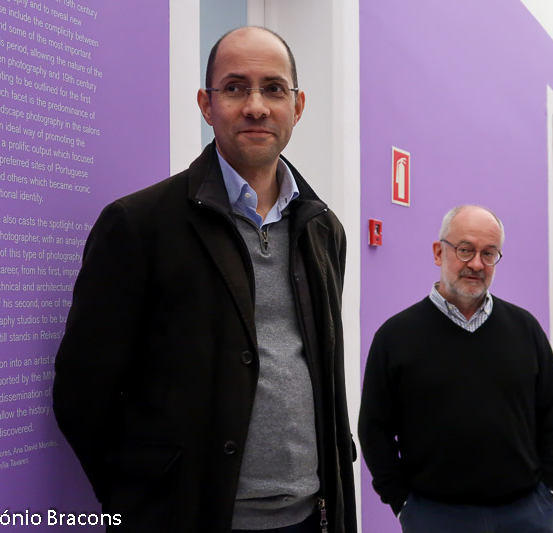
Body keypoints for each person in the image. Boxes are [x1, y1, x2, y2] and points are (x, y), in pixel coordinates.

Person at [53, 27, 356, 533]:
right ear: (206, 104)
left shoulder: (323, 231)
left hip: (310, 516)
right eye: (235, 88)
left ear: (297, 105)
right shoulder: (139, 225)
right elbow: (83, 395)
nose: (256, 106)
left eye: (273, 89)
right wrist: (138, 503)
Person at [358, 205, 553, 533]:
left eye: (489, 253)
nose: (476, 264)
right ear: (438, 252)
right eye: (465, 249)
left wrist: (550, 490)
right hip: (435, 517)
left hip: (526, 513)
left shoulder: (525, 329)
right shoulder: (395, 337)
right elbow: (375, 429)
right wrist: (402, 503)